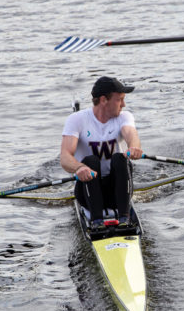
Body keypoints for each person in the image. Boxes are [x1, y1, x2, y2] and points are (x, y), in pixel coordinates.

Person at [60, 76, 143, 228]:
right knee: (90, 161)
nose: (123, 104)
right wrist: (79, 168)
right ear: (104, 100)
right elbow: (65, 157)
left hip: (117, 192)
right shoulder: (76, 120)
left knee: (120, 159)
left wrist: (134, 147)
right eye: (120, 100)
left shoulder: (124, 117)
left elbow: (131, 135)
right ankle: (96, 221)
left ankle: (124, 218)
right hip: (88, 192)